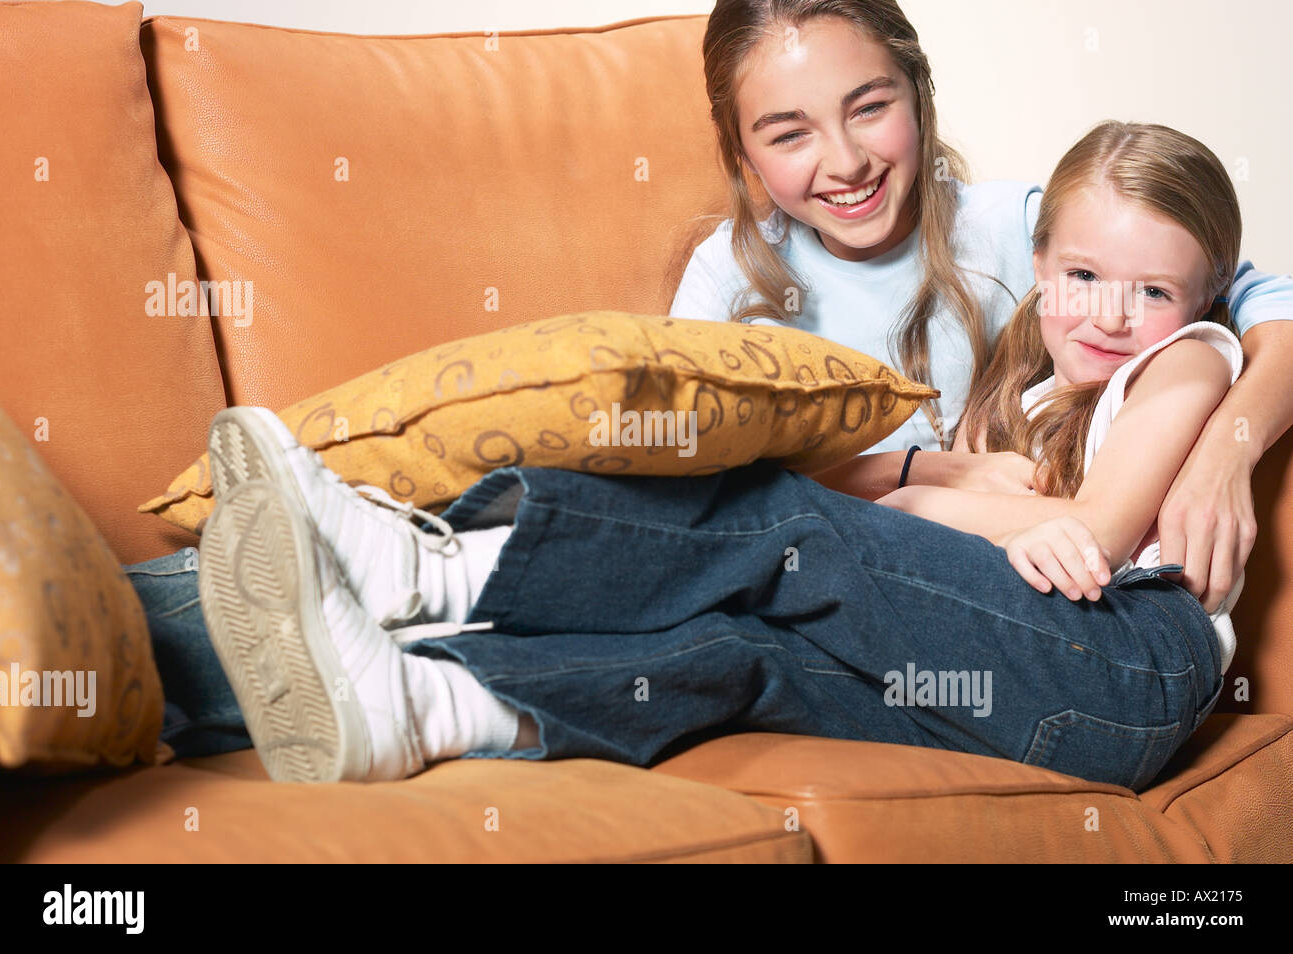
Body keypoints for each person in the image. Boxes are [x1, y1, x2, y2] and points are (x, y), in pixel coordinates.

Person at [186, 117, 1244, 794]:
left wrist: (920, 514)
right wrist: (945, 498)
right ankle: (422, 709)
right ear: (1038, 258)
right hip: (1059, 704)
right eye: (1083, 274)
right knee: (742, 659)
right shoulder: (1029, 388)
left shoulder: (1189, 361)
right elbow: (1008, 535)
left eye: (1153, 291)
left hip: (1135, 661)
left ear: (1199, 301)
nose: (1112, 312)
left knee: (778, 518)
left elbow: (1097, 534)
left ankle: (411, 569)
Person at [668, 0, 1293, 614]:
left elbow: (1237, 296)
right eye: (790, 133)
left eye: (870, 107)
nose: (847, 162)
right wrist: (907, 472)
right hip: (864, 581)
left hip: (1008, 595)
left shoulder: (1017, 230)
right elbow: (691, 504)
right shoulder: (726, 278)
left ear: (919, 94)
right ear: (742, 151)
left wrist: (1225, 453)